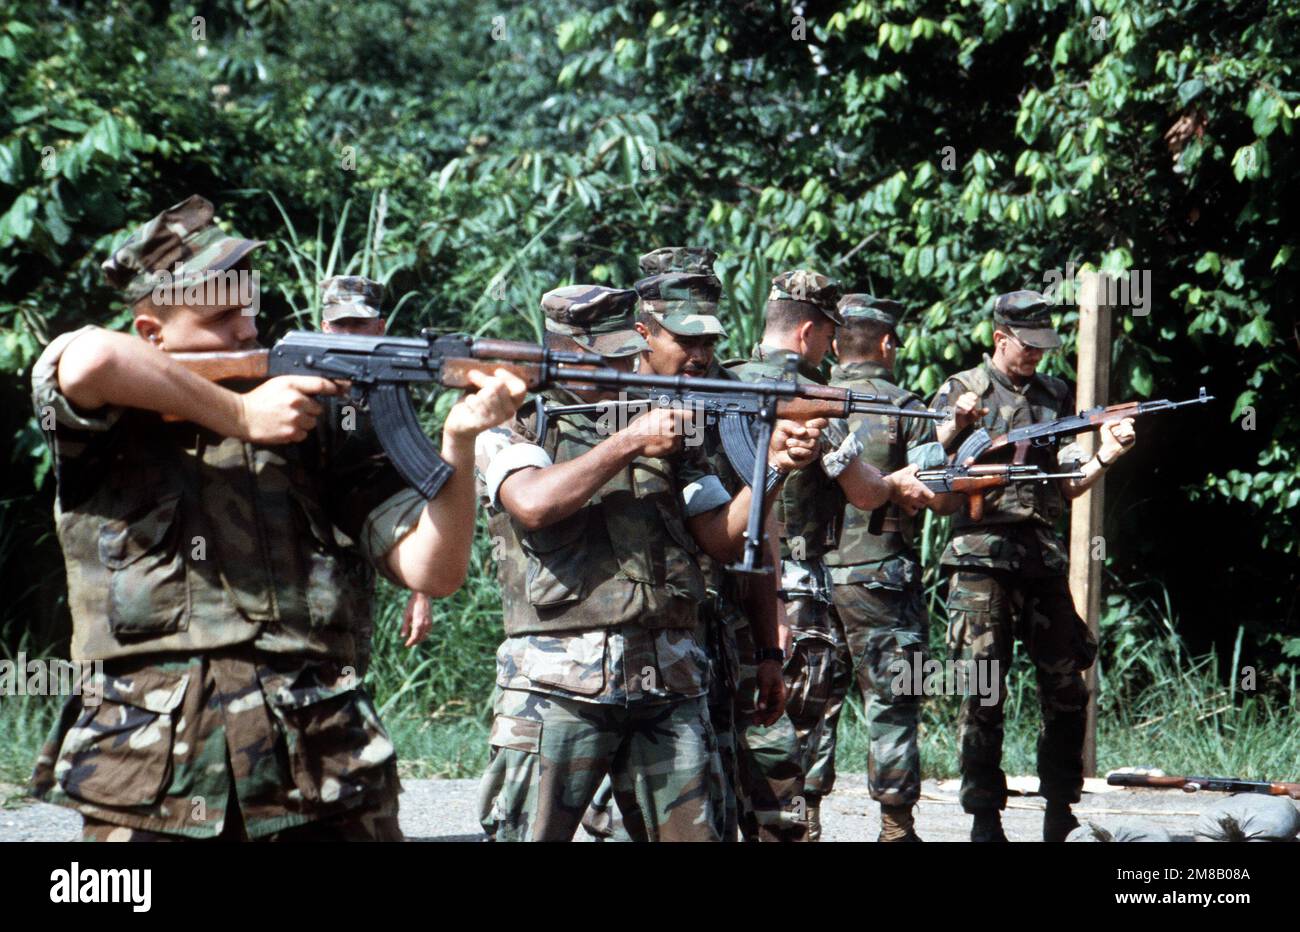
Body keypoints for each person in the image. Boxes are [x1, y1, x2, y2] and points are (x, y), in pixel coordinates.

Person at [29, 194, 525, 841]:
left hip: (323, 779)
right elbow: (90, 357)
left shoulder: (317, 421)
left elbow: (434, 568)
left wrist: (457, 443)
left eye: (248, 309)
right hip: (152, 785)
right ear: (151, 333)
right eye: (220, 315)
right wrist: (240, 417)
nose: (245, 328)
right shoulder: (111, 424)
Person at [475, 283, 821, 842]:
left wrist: (774, 468)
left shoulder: (663, 427)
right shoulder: (519, 420)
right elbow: (533, 504)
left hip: (669, 681)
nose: (621, 365)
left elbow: (720, 538)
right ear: (560, 349)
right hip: (556, 685)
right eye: (603, 355)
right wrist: (629, 440)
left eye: (623, 352)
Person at [728, 270, 935, 840]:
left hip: (707, 581)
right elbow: (865, 491)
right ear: (807, 334)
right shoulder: (812, 402)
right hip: (790, 583)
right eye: (826, 337)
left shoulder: (721, 381)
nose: (831, 350)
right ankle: (809, 829)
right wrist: (896, 484)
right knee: (792, 717)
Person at [933, 290, 1136, 842]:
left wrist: (1105, 454)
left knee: (1067, 685)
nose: (1038, 357)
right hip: (981, 559)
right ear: (1000, 339)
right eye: (1028, 347)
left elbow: (1068, 482)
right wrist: (956, 430)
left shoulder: (1054, 395)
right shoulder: (963, 390)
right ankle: (983, 814)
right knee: (983, 689)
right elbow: (932, 471)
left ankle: (1059, 808)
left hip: (1041, 561)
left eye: (1045, 346)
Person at [824, 294, 962, 842]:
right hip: (882, 577)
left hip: (808, 580)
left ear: (834, 345)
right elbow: (938, 493)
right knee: (893, 703)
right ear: (886, 345)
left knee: (813, 703)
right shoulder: (906, 406)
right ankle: (895, 828)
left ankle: (803, 822)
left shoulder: (806, 400)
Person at [315, 275, 434, 677]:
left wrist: (422, 588)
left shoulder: (385, 392)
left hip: (357, 559)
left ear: (380, 327)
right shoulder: (295, 386)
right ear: (323, 326)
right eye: (340, 324)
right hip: (298, 557)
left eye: (359, 324)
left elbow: (412, 480)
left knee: (352, 676)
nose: (348, 334)